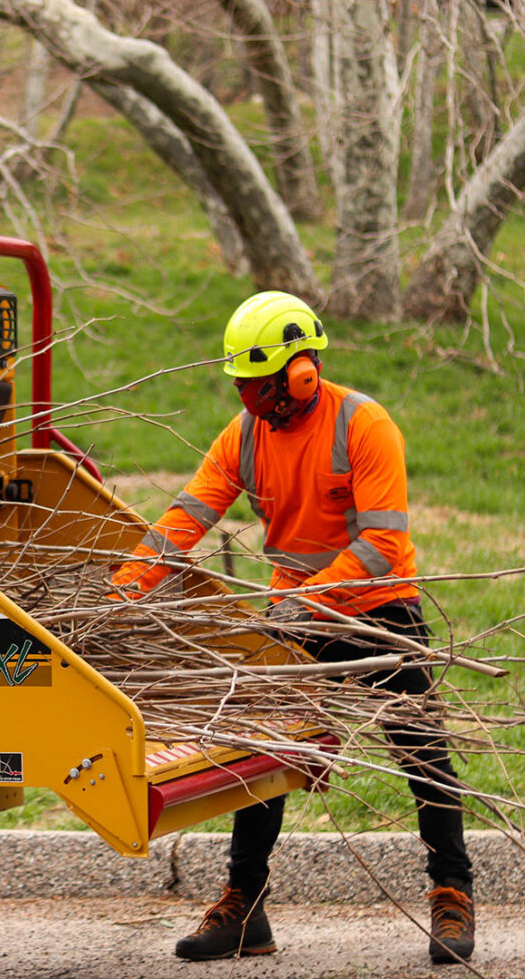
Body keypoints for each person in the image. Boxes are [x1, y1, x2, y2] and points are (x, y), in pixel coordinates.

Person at [110, 291, 475, 965]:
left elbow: (383, 545)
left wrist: (308, 599)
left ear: (300, 371)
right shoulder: (244, 437)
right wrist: (122, 590)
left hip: (378, 611)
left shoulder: (364, 425)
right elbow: (183, 522)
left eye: (256, 385)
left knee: (422, 754)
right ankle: (243, 909)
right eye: (241, 387)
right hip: (293, 615)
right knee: (263, 758)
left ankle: (451, 896)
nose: (247, 398)